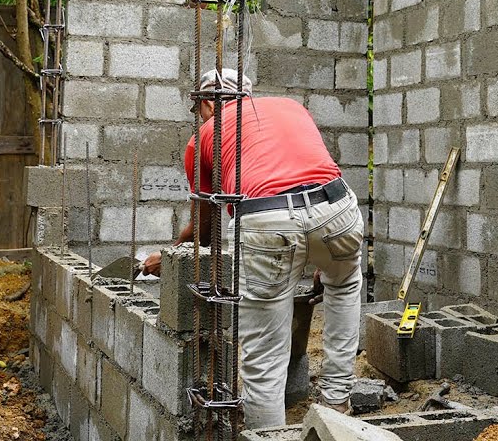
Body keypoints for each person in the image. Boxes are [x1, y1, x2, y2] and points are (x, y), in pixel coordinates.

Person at [140, 69, 364, 429]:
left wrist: (169, 254)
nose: (199, 114)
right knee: (345, 285)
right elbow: (306, 171)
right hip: (337, 210)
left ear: (210, 104)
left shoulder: (201, 141)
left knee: (264, 353)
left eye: (199, 106)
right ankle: (336, 404)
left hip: (266, 221)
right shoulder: (290, 106)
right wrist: (319, 252)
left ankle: (269, 434)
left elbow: (205, 232)